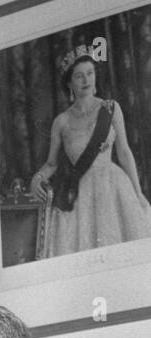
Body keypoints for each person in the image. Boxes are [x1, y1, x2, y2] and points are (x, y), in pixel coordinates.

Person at [30, 46, 151, 258]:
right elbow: (52, 164)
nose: (86, 80)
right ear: (70, 84)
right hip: (80, 194)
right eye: (79, 76)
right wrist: (36, 178)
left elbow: (124, 152)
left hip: (112, 188)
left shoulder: (111, 108)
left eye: (89, 73)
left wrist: (138, 192)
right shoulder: (62, 121)